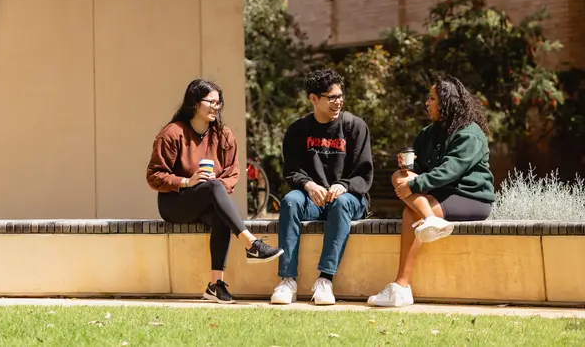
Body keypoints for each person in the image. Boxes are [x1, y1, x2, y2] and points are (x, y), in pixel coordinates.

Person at [147, 79, 283, 304]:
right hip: (175, 203)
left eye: (218, 103)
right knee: (213, 187)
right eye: (210, 102)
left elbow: (232, 172)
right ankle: (252, 244)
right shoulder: (172, 133)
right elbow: (154, 175)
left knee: (221, 213)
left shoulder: (224, 135)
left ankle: (215, 285)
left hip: (207, 200)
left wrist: (215, 188)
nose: (215, 107)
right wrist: (187, 182)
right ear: (194, 102)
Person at [367, 75, 495, 307]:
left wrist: (413, 185)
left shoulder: (470, 133)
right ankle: (430, 222)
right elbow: (420, 170)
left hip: (470, 197)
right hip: (438, 194)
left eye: (432, 98)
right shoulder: (428, 133)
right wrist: (407, 170)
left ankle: (401, 288)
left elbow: (451, 170)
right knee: (398, 176)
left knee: (410, 213)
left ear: (448, 102)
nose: (427, 102)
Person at [270, 69, 374, 305]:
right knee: (290, 201)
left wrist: (343, 185)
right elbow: (292, 171)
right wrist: (308, 184)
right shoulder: (298, 130)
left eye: (340, 96)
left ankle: (325, 279)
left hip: (349, 199)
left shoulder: (355, 127)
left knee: (341, 202)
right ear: (314, 99)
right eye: (332, 97)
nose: (338, 102)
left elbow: (363, 174)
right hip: (313, 200)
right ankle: (287, 280)